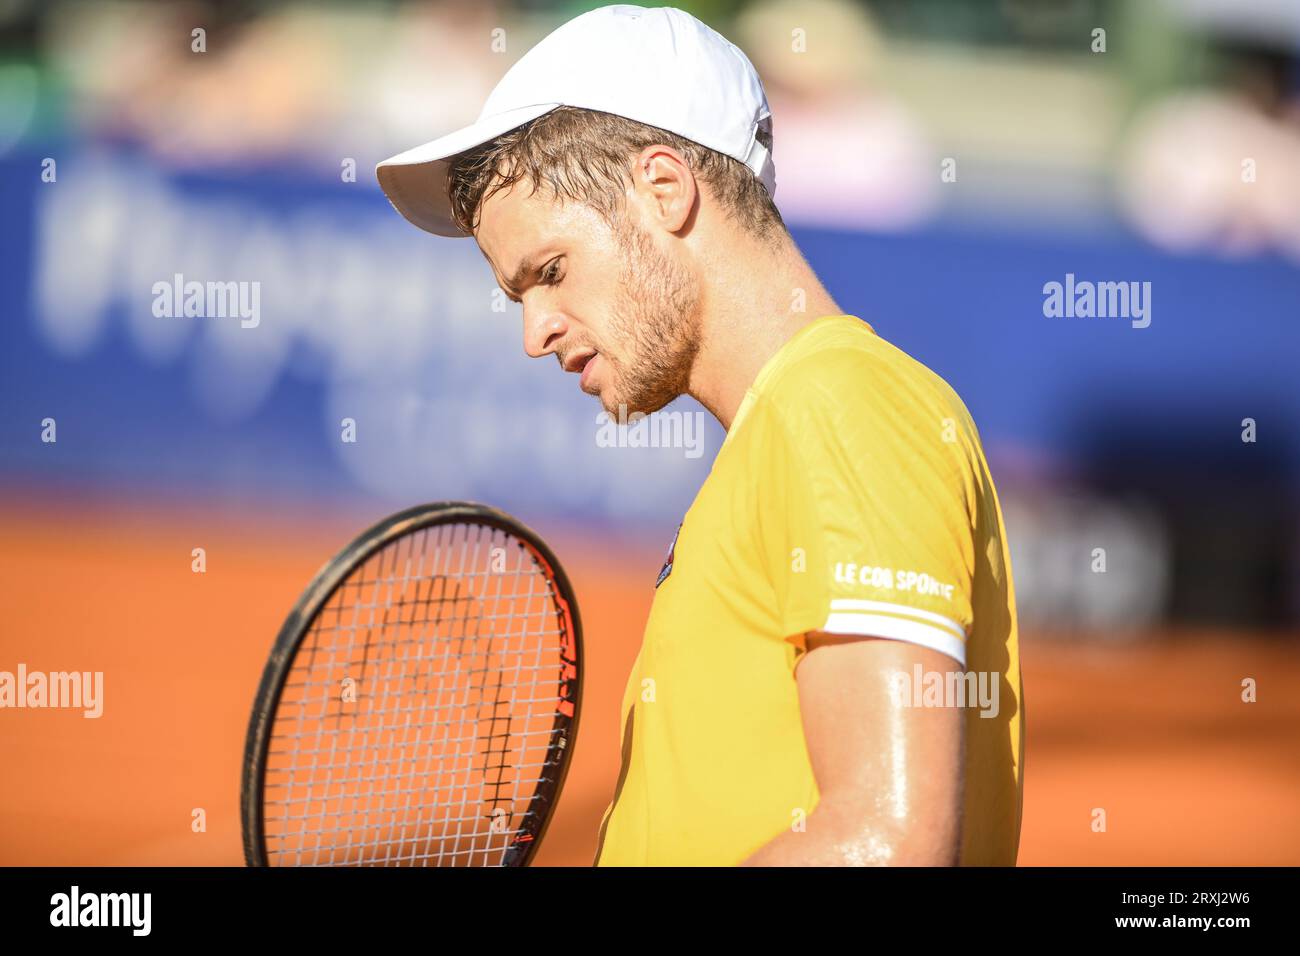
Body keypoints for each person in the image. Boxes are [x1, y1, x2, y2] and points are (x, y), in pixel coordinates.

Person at [377, 4, 1023, 866]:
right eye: (517, 294)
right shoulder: (787, 428)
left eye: (553, 272)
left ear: (664, 188)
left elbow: (890, 840)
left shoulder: (841, 403)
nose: (534, 332)